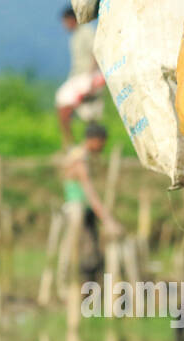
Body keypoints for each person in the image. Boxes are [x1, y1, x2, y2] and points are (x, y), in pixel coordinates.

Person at [60, 122, 120, 284]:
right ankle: (67, 285)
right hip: (76, 210)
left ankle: (80, 286)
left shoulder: (79, 156)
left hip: (84, 209)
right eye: (102, 142)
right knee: (72, 249)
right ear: (95, 140)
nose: (102, 147)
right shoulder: (79, 160)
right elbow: (90, 193)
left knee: (88, 249)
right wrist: (107, 220)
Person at [55, 6, 104, 147]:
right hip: (78, 77)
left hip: (88, 75)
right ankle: (71, 142)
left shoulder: (86, 32)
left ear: (71, 19)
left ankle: (72, 142)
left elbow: (95, 52)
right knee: (69, 106)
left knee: (68, 103)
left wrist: (92, 79)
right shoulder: (75, 37)